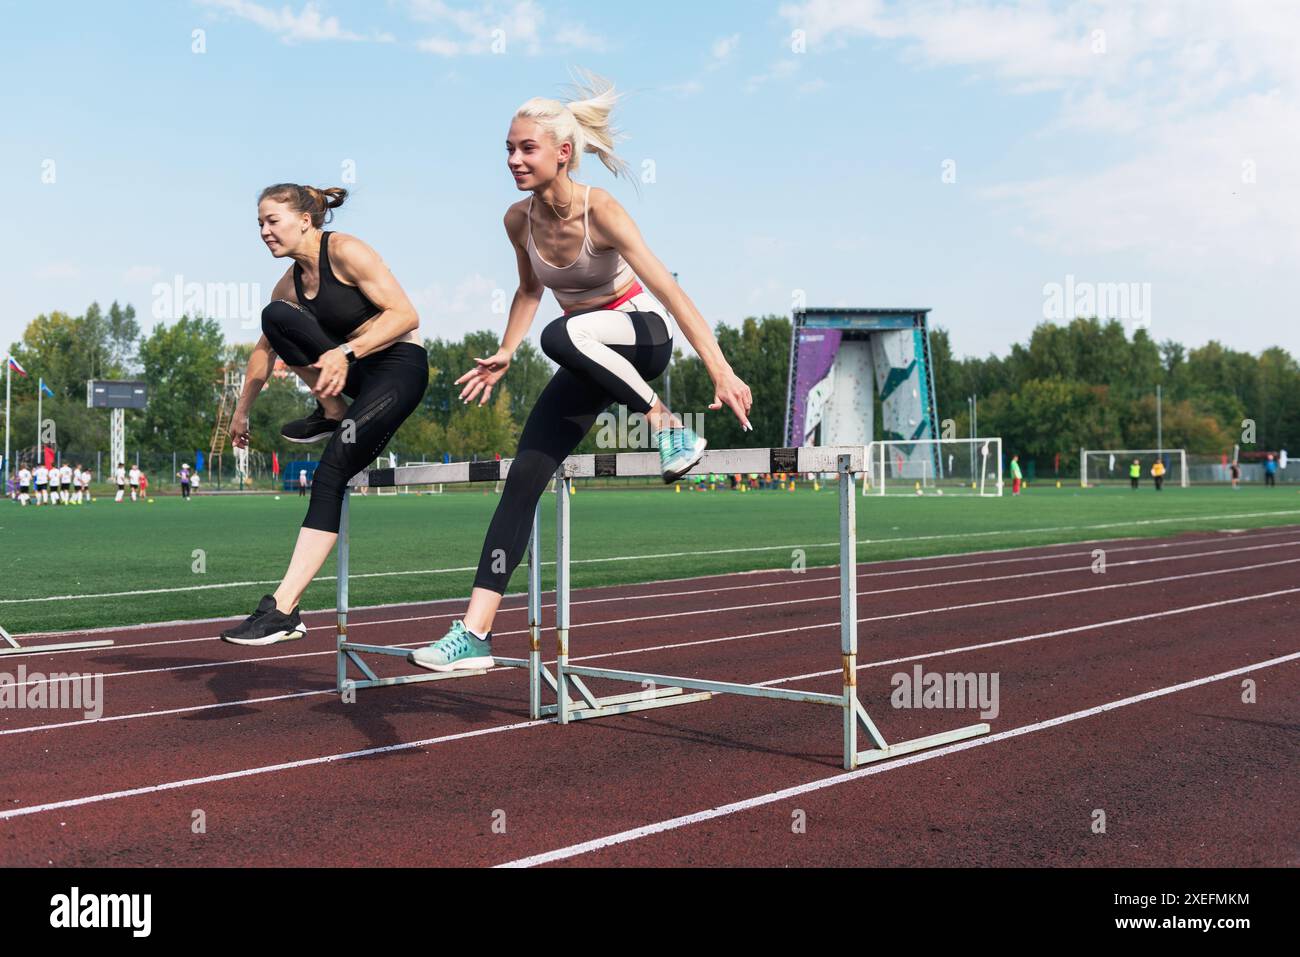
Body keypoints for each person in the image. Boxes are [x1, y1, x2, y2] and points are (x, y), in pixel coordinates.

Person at [407, 72, 753, 673]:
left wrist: (719, 368)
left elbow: (669, 290)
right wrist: (506, 350)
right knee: (523, 479)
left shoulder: (603, 210)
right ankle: (475, 633)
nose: (513, 160)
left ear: (563, 153)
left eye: (526, 148)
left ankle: (668, 425)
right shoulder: (518, 222)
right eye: (508, 150)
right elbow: (527, 288)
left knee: (561, 332)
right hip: (587, 355)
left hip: (641, 337)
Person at [220, 183, 427, 646]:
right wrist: (241, 412)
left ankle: (284, 609)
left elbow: (407, 314)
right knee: (275, 316)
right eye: (258, 224)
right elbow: (263, 351)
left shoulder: (348, 251)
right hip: (349, 371)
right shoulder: (289, 283)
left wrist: (346, 352)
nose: (263, 232)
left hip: (397, 369)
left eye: (272, 221)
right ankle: (332, 409)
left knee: (330, 472)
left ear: (305, 220)